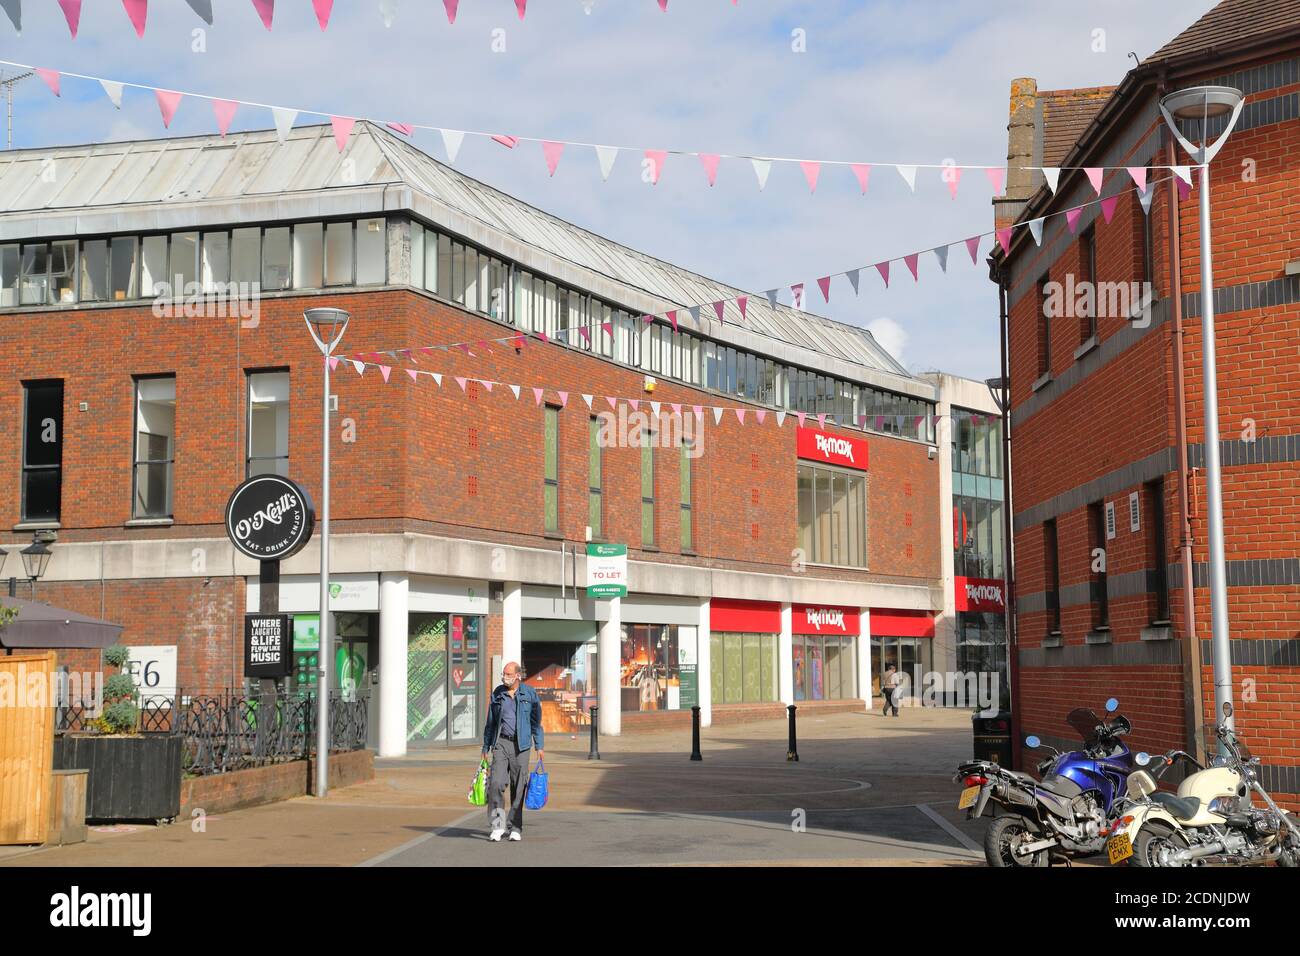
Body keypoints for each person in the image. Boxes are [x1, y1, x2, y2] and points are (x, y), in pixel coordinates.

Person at [481, 661, 544, 842]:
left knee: (519, 787)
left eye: (508, 674)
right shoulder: (498, 693)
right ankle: (498, 826)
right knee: (496, 784)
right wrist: (486, 746)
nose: (504, 677)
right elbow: (491, 722)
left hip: (522, 746)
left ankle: (516, 826)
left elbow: (536, 722)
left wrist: (539, 746)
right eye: (504, 673)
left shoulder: (529, 693)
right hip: (501, 743)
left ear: (518, 676)